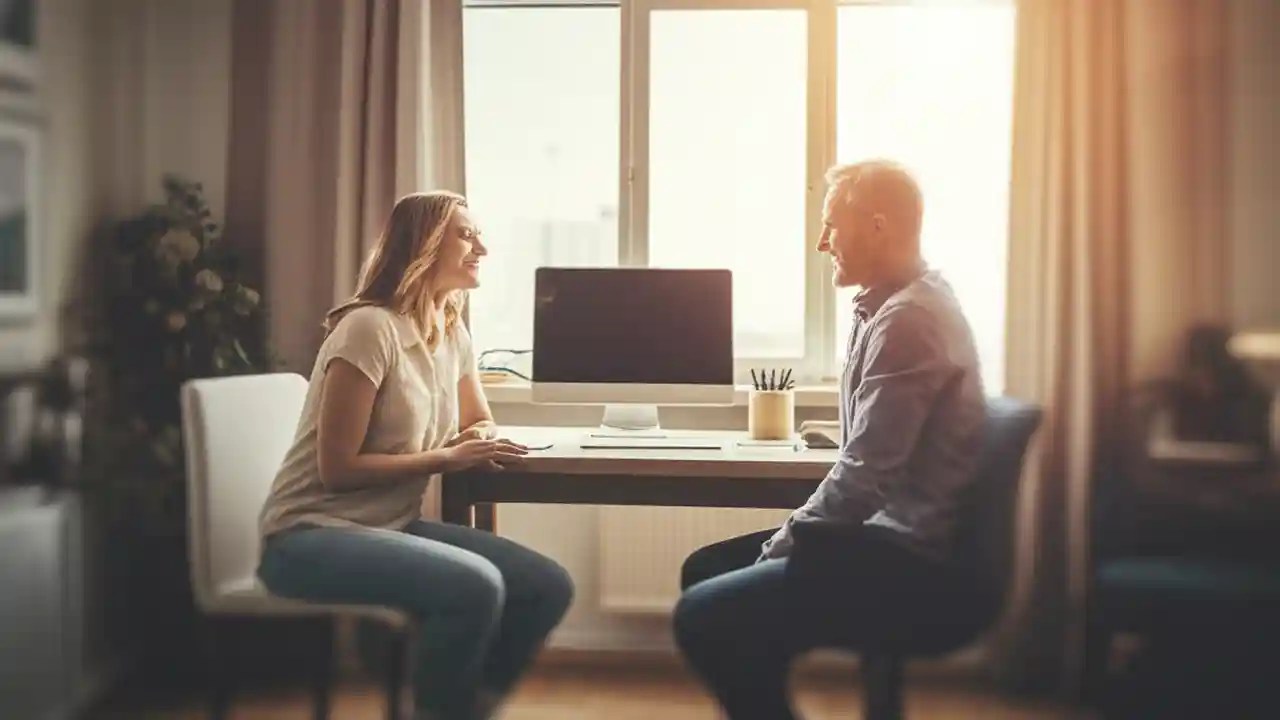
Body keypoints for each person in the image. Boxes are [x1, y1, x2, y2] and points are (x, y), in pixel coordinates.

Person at [673, 160, 987, 719]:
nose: (822, 244)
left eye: (830, 225)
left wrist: (780, 549)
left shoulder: (908, 318)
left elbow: (864, 478)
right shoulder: (897, 303)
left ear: (877, 225)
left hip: (903, 557)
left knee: (704, 615)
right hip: (888, 537)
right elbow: (883, 441)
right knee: (705, 570)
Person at [256, 191, 574, 720]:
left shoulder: (451, 330)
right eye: (466, 235)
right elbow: (338, 470)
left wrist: (480, 437)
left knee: (546, 586)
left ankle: (466, 707)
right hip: (309, 536)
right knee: (474, 588)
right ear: (425, 244)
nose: (483, 248)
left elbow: (478, 418)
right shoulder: (368, 329)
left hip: (392, 525)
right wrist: (447, 458)